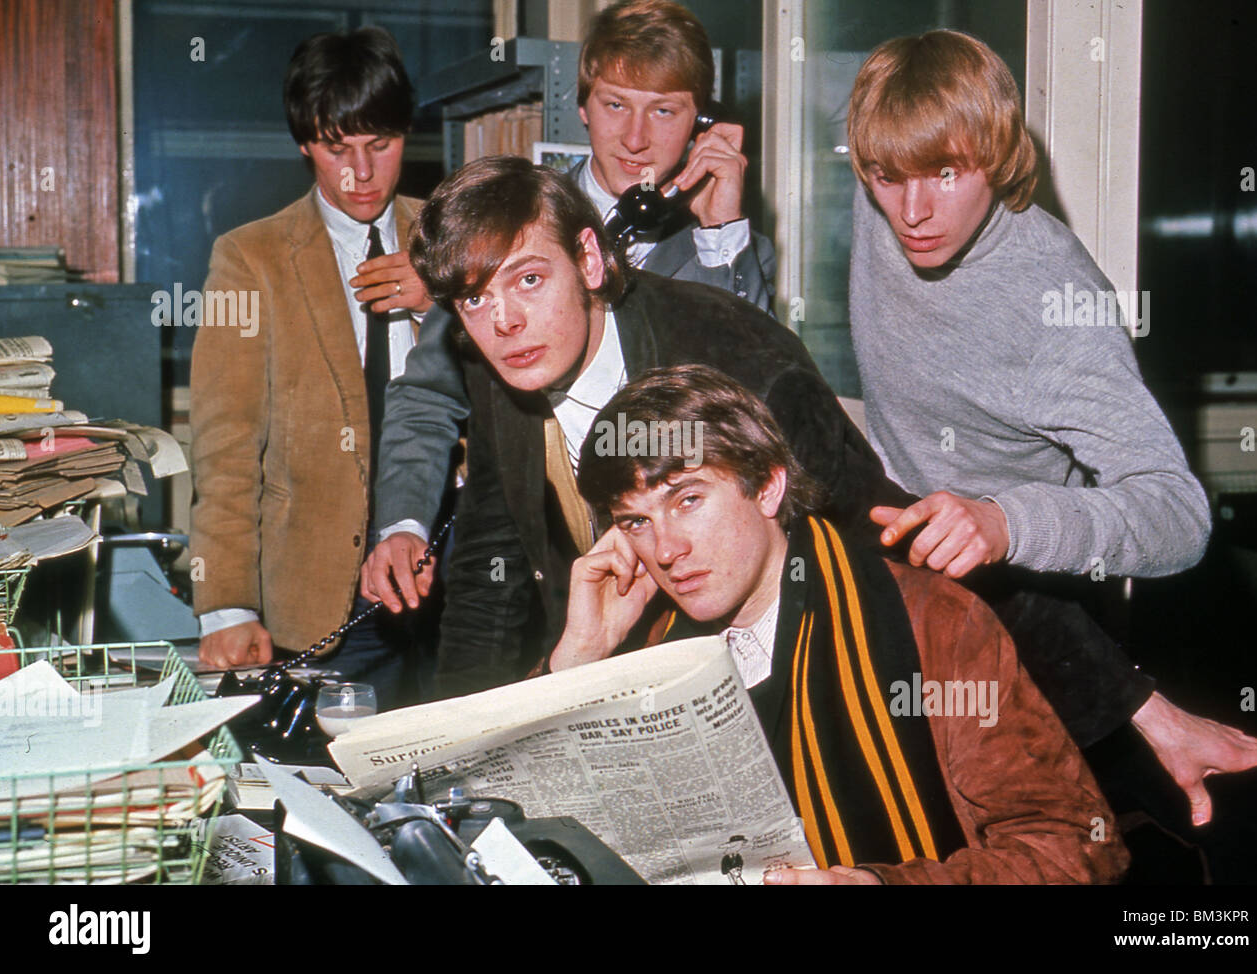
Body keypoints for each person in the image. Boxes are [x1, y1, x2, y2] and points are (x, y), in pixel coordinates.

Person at [844, 29, 1257, 856]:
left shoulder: (1057, 309)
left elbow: (1178, 514)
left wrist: (1006, 522)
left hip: (1015, 603)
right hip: (890, 555)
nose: (911, 214)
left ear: (1001, 152)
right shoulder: (892, 194)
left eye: (946, 174)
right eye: (886, 176)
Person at [546, 364, 1129, 884]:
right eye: (637, 522)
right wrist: (579, 658)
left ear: (768, 485)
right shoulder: (645, 646)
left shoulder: (930, 622)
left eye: (688, 500)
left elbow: (1076, 848)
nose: (666, 550)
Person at [401, 155, 910, 698]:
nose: (504, 322)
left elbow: (868, 538)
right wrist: (456, 749)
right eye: (475, 299)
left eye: (529, 279)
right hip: (609, 667)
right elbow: (489, 575)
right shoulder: (499, 362)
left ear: (589, 260)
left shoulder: (741, 360)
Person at [362, 0, 776, 614]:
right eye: (615, 105)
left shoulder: (730, 246)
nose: (636, 139)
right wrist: (403, 526)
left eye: (663, 111)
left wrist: (722, 240)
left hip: (683, 580)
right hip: (547, 581)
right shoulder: (503, 226)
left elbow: (757, 410)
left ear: (703, 123)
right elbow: (426, 398)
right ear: (582, 107)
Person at [189, 27, 464, 707]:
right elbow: (225, 447)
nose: (361, 174)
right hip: (323, 607)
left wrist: (444, 299)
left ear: (408, 135)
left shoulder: (457, 240)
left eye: (382, 146)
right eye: (338, 150)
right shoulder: (249, 259)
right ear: (306, 143)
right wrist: (226, 607)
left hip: (462, 591)